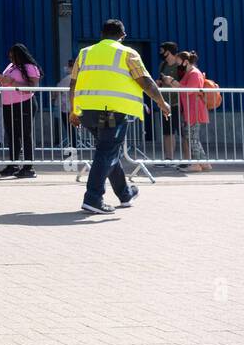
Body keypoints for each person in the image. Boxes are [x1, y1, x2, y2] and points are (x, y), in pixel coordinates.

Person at [70, 19, 171, 214]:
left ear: (101, 34)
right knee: (106, 151)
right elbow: (146, 82)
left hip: (86, 112)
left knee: (110, 151)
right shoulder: (128, 53)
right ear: (123, 36)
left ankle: (125, 194)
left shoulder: (84, 53)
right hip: (111, 112)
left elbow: (73, 84)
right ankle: (93, 198)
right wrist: (161, 102)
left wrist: (74, 110)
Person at [0, 43, 42, 178]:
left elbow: (33, 87)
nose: (10, 58)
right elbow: (8, 81)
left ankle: (28, 167)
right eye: (10, 56)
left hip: (24, 103)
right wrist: (1, 81)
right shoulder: (11, 66)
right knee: (12, 135)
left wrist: (12, 82)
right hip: (9, 104)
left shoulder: (30, 67)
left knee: (25, 134)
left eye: (13, 56)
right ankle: (13, 164)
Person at [176, 51, 212, 172]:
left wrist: (173, 83)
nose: (177, 64)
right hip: (190, 109)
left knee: (192, 137)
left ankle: (196, 164)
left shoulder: (194, 74)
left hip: (195, 110)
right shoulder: (190, 73)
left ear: (185, 62)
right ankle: (204, 163)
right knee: (192, 136)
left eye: (178, 62)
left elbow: (189, 91)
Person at [156, 42, 189, 166]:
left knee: (183, 133)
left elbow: (184, 84)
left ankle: (187, 160)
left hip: (178, 104)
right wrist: (159, 82)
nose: (160, 53)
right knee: (167, 132)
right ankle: (169, 159)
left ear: (168, 51)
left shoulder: (180, 66)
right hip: (165, 104)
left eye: (162, 50)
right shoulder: (163, 65)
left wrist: (171, 82)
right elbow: (161, 80)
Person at [56, 58, 75, 147]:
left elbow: (57, 89)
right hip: (74, 107)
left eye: (68, 66)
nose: (66, 68)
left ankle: (73, 146)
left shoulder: (68, 79)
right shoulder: (80, 77)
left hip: (67, 108)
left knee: (70, 129)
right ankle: (74, 145)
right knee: (72, 129)